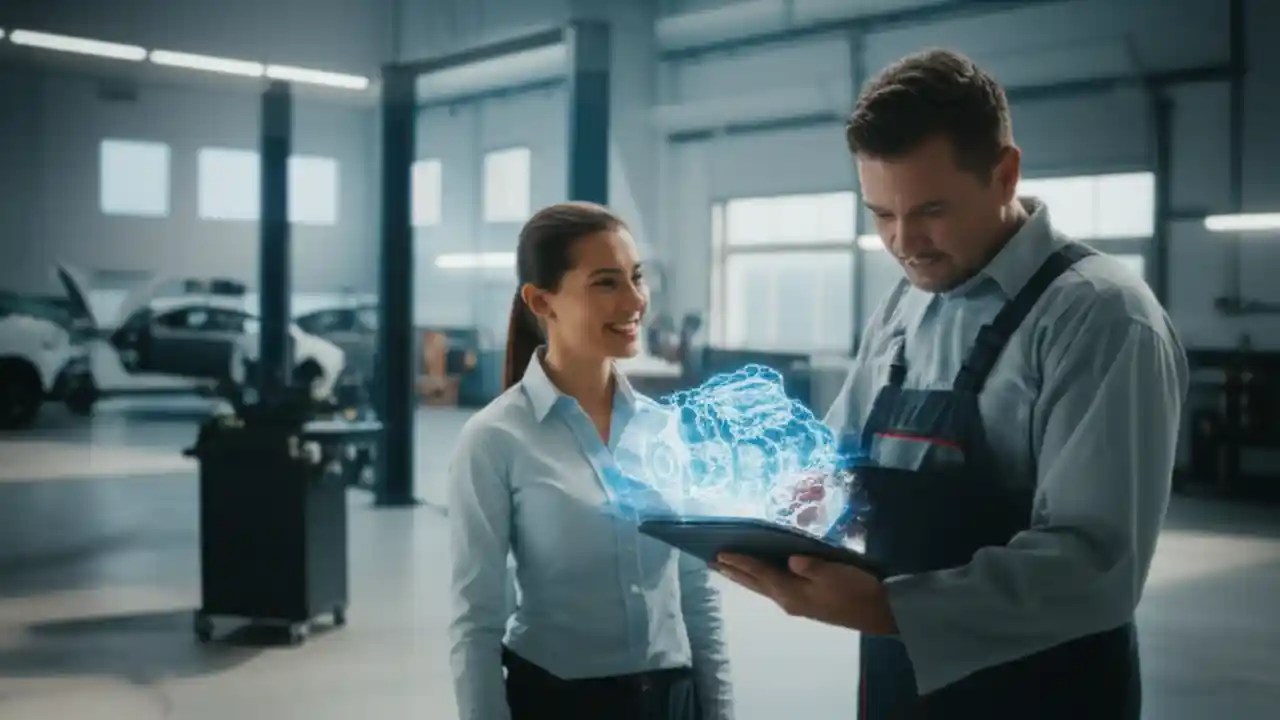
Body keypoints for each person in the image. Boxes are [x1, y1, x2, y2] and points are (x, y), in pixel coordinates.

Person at [714, 49, 1188, 719]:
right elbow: (841, 461)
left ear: (1004, 174)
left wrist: (887, 606)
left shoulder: (1101, 317)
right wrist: (771, 507)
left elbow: (1094, 567)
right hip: (901, 681)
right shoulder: (905, 309)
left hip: (1046, 692)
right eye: (880, 215)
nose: (905, 242)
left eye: (930, 210)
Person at [448, 201, 734, 720]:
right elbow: (476, 623)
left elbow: (695, 593)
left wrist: (719, 711)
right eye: (606, 283)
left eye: (636, 277)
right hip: (559, 701)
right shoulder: (495, 438)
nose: (635, 301)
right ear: (542, 300)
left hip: (673, 701)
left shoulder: (664, 429)